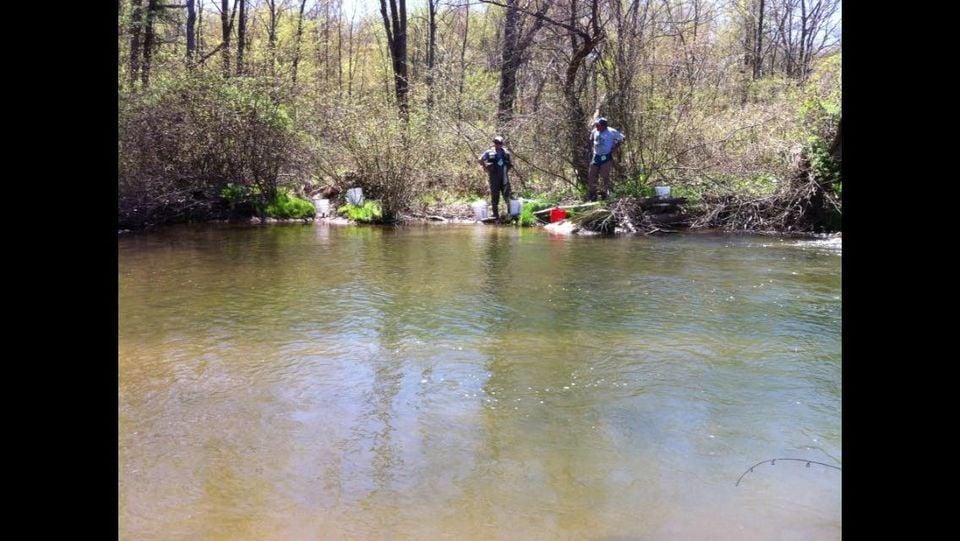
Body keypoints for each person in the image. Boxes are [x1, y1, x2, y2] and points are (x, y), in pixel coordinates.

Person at [587, 117, 625, 201]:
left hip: (606, 156)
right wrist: (592, 149)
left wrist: (614, 147)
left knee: (605, 176)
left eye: (598, 125)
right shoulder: (595, 131)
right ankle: (592, 195)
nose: (597, 127)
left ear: (604, 126)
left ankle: (605, 194)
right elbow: (591, 139)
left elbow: (622, 138)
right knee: (591, 175)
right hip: (596, 156)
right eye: (596, 125)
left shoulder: (612, 131)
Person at [477, 135, 513, 219]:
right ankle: (495, 215)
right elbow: (480, 159)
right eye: (496, 143)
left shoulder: (506, 153)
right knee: (495, 195)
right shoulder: (489, 152)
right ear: (494, 143)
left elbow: (510, 164)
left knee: (507, 195)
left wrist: (506, 170)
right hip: (494, 177)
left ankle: (510, 214)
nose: (498, 144)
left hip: (504, 177)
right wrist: (485, 168)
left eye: (500, 143)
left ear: (502, 143)